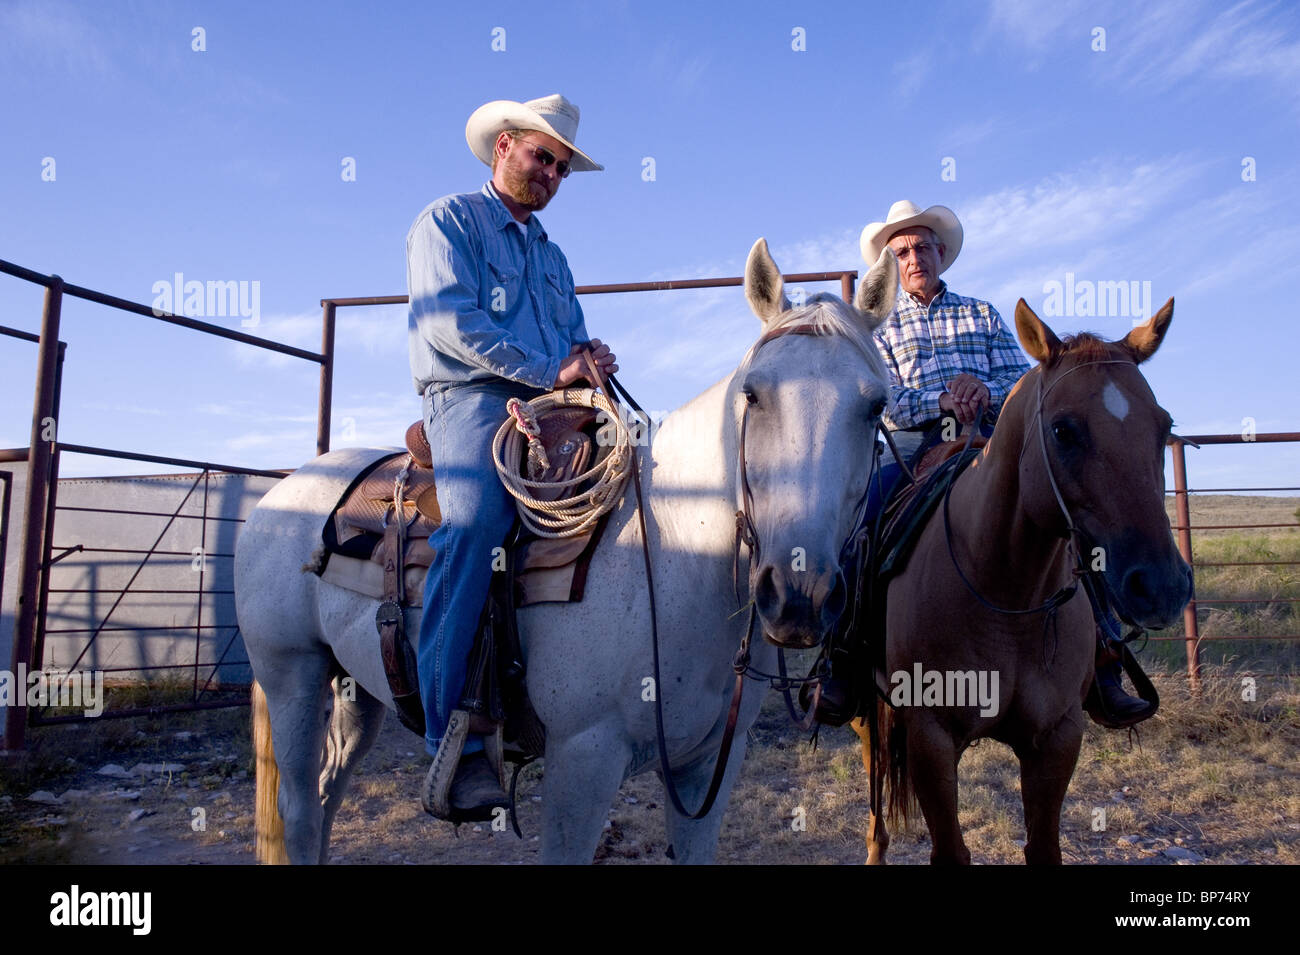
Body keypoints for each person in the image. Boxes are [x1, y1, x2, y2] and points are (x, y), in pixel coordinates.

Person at [861, 199, 1153, 727]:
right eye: (900, 251)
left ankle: (1105, 656)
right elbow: (887, 400)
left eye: (921, 246)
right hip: (917, 441)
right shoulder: (877, 331)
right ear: (889, 263)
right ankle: (846, 662)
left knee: (1070, 506)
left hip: (993, 435)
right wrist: (942, 401)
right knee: (867, 509)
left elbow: (1025, 381)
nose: (912, 258)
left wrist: (983, 391)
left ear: (941, 252)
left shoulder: (981, 313)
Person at [406, 94, 617, 816]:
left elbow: (573, 337)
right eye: (542, 157)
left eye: (562, 167)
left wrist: (588, 358)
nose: (553, 174)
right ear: (502, 147)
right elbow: (450, 325)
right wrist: (550, 368)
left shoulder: (553, 258)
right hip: (470, 400)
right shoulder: (448, 222)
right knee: (473, 528)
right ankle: (453, 743)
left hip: (553, 405)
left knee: (629, 498)